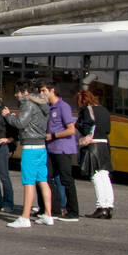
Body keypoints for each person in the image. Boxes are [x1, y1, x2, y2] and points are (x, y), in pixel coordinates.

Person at [3, 79, 54, 228]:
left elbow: (20, 123)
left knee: (28, 182)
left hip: (30, 146)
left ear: (24, 92)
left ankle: (25, 217)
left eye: (17, 92)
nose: (16, 95)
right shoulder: (43, 104)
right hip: (41, 146)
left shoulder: (28, 104)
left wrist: (8, 116)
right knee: (43, 181)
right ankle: (48, 214)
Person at [42, 81, 80, 222]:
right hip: (51, 148)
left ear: (52, 90)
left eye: (44, 90)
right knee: (47, 177)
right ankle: (55, 209)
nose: (42, 93)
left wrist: (53, 135)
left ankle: (73, 211)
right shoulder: (49, 107)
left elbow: (71, 129)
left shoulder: (63, 107)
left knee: (66, 179)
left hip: (63, 148)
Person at [76, 89, 114, 219]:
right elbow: (108, 129)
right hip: (104, 145)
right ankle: (108, 205)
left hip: (93, 145)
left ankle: (101, 206)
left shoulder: (86, 110)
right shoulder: (104, 110)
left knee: (96, 176)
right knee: (105, 175)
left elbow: (85, 127)